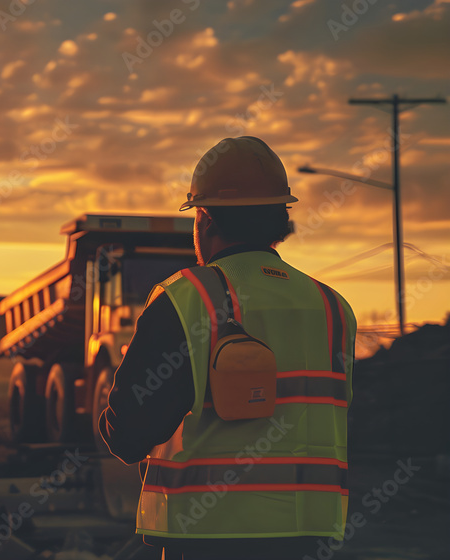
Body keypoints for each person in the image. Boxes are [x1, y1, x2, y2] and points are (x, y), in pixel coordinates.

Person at [98, 136, 356, 560]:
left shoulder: (186, 299)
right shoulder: (332, 306)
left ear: (205, 218)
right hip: (310, 534)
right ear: (281, 217)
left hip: (208, 534)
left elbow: (127, 436)